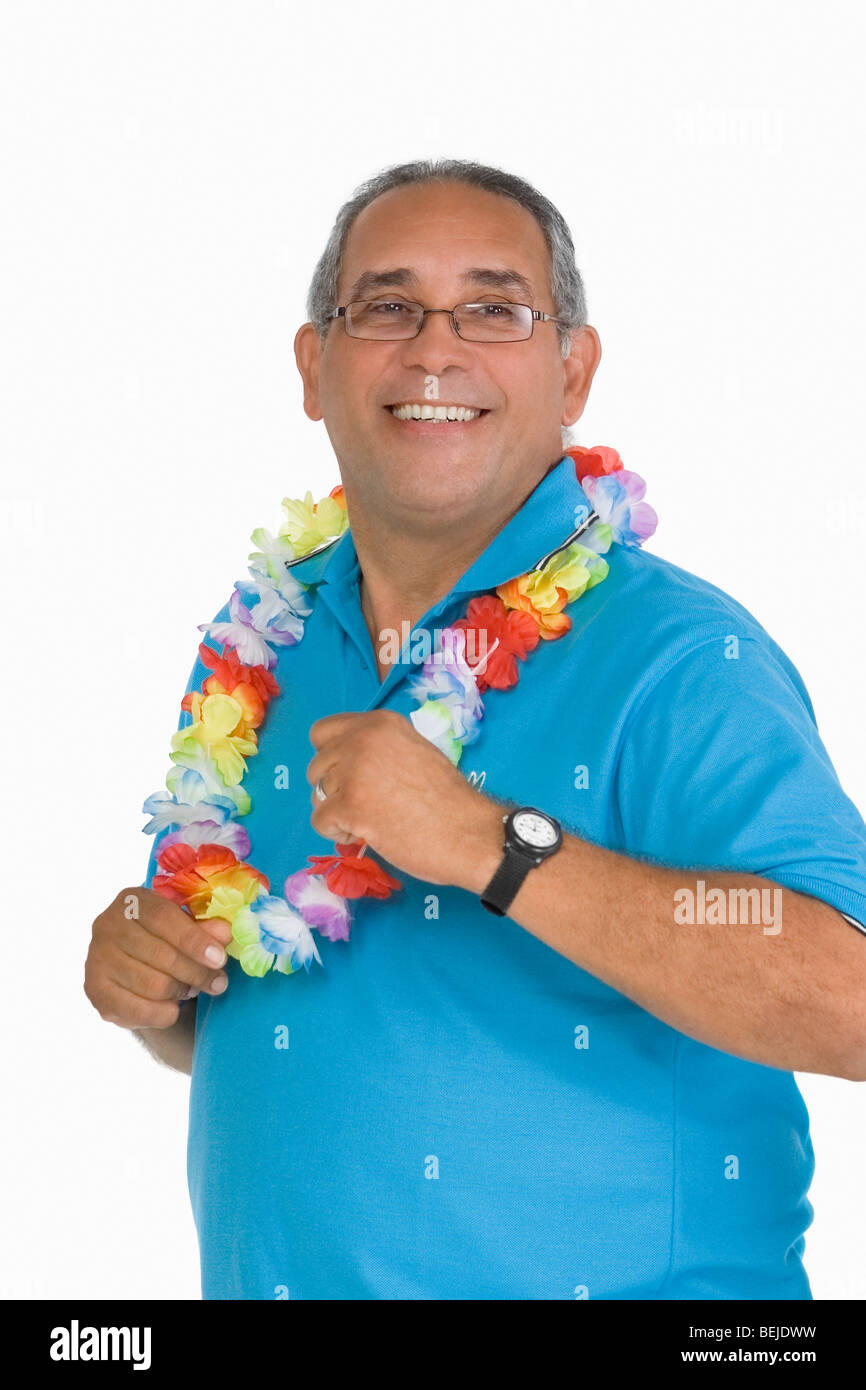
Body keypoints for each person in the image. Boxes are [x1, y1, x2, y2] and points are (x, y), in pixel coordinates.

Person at [85, 159, 866, 1301]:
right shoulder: (261, 647)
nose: (433, 349)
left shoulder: (681, 658)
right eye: (386, 306)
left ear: (572, 369)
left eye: (493, 309)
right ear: (314, 365)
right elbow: (296, 1005)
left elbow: (846, 997)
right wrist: (156, 990)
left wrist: (494, 845)